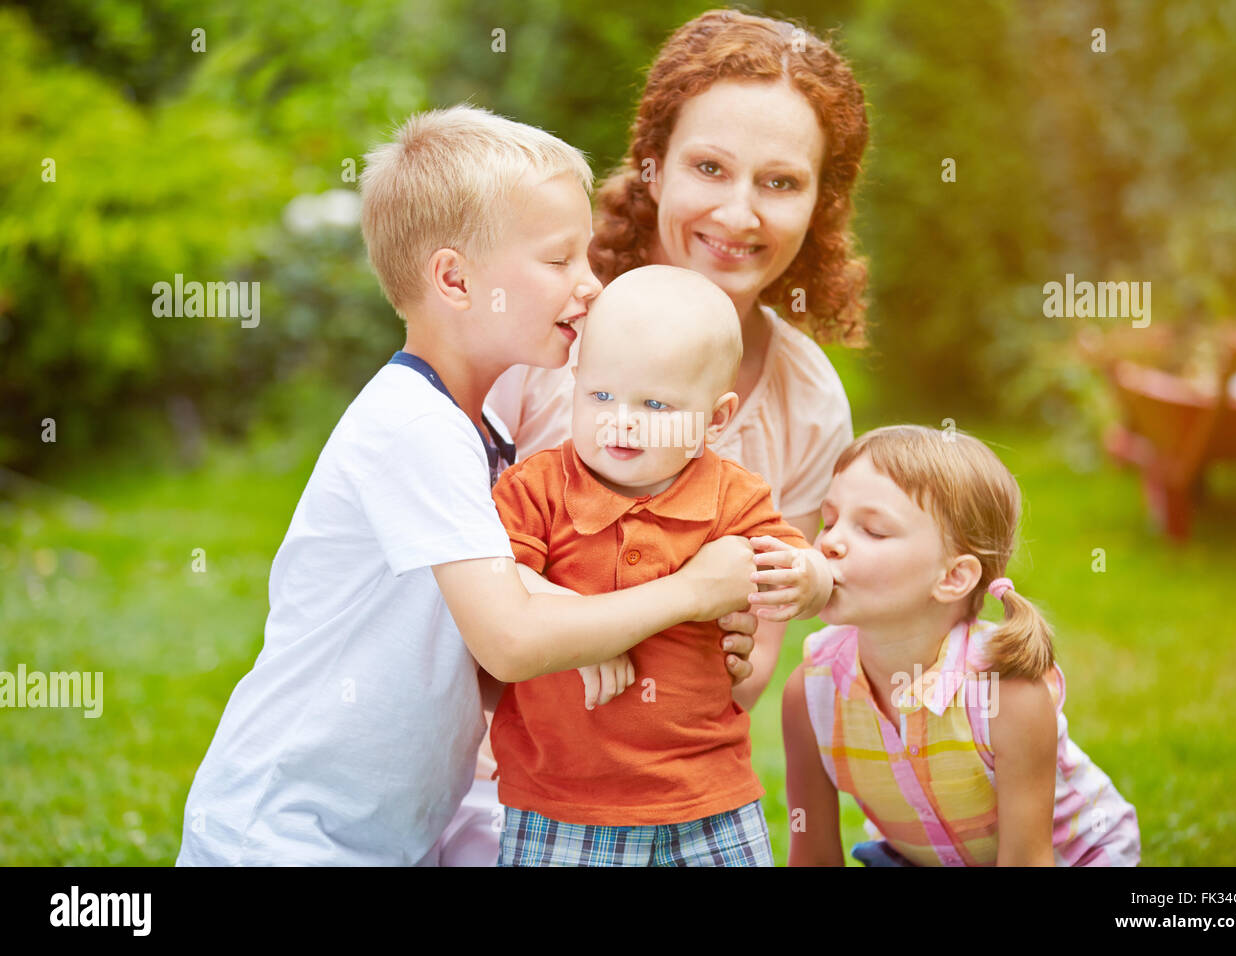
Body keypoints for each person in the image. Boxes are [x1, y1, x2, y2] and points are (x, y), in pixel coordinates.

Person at [175, 106, 759, 866]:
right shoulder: (412, 426)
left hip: (383, 837)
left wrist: (591, 621)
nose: (589, 286)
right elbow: (509, 640)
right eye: (558, 262)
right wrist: (692, 594)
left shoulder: (472, 426)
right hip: (282, 836)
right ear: (455, 279)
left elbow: (497, 605)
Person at [453, 8, 871, 866]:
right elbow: (477, 621)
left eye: (782, 183)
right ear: (653, 168)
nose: (739, 213)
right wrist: (631, 619)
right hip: (504, 785)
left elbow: (746, 669)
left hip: (678, 791)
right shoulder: (547, 343)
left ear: (821, 201)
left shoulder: (808, 401)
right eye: (709, 167)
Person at [489, 266, 834, 866]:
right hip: (563, 799)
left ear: (716, 418)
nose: (620, 419)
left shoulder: (733, 497)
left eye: (654, 403)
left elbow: (796, 562)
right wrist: (576, 624)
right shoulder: (539, 488)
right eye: (599, 395)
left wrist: (810, 579)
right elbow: (497, 581)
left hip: (708, 791)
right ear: (574, 382)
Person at [781, 425, 1141, 866]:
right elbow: (812, 855)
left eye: (872, 530)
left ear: (953, 577)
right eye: (830, 520)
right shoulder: (810, 693)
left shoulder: (1007, 695)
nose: (829, 542)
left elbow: (1027, 862)